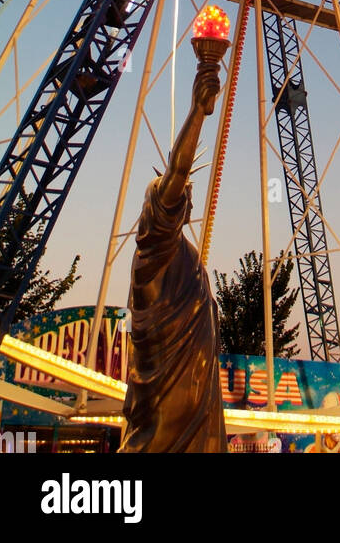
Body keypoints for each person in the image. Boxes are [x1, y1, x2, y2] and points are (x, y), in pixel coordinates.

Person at [119, 59, 226, 453]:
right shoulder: (156, 247)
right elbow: (178, 171)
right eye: (172, 195)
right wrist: (198, 111)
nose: (184, 198)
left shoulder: (182, 254)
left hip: (197, 386)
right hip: (169, 391)